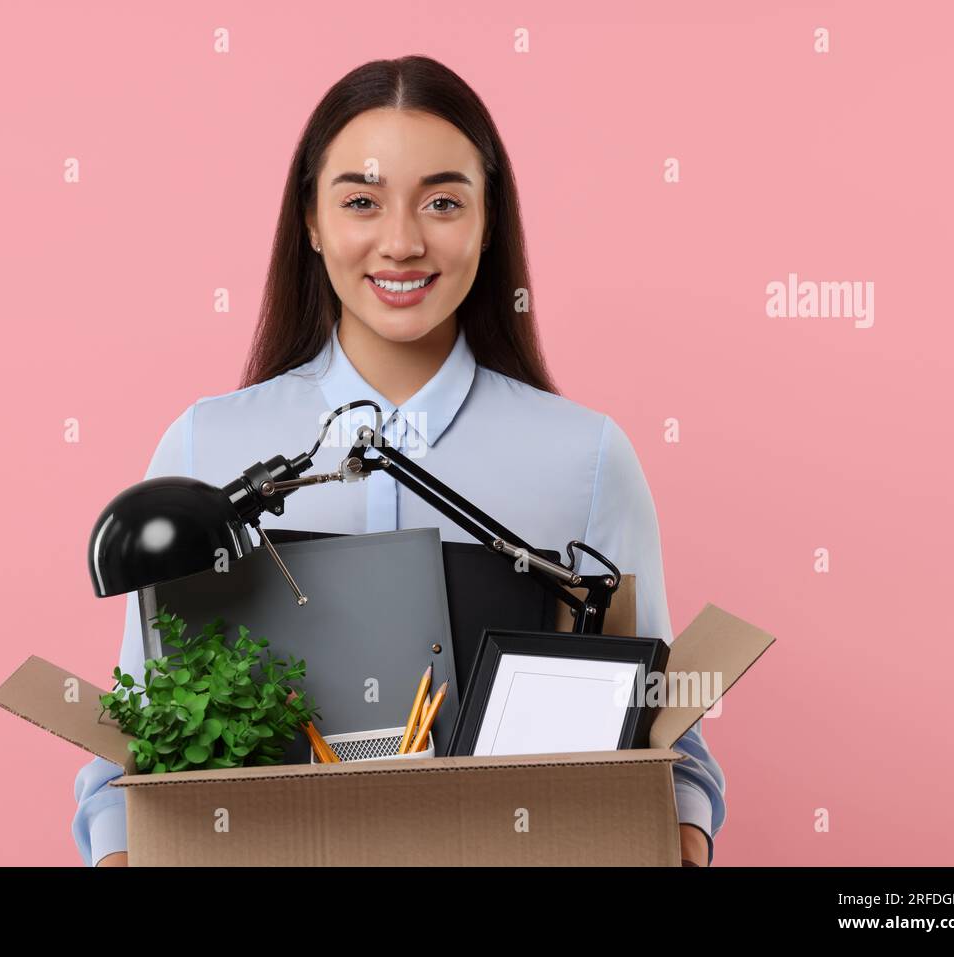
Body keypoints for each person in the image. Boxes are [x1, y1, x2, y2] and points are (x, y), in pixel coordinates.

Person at [73, 55, 724, 867]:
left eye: (444, 202)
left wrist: (681, 841)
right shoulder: (208, 450)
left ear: (489, 221)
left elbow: (668, 744)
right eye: (361, 202)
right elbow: (134, 744)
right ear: (310, 220)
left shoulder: (585, 457)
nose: (403, 241)